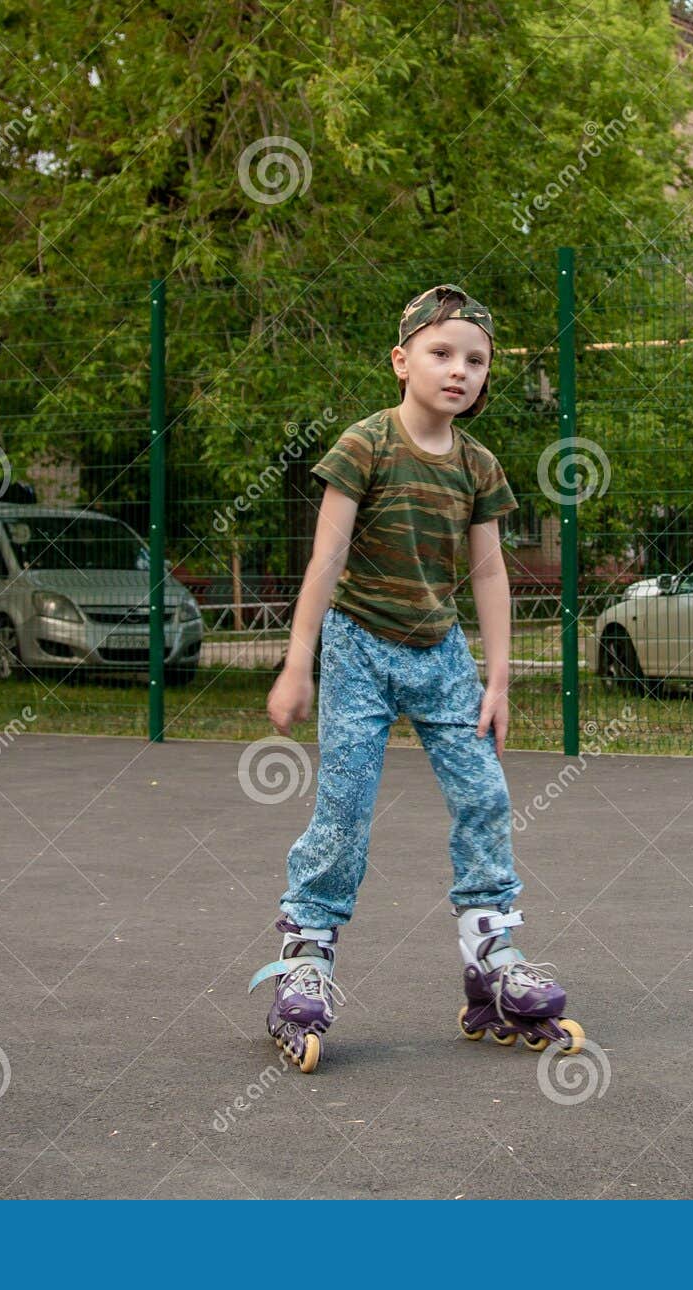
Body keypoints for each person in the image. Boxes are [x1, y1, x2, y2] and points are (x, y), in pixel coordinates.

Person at [253, 283, 583, 1073]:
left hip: (441, 657)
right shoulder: (365, 446)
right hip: (358, 646)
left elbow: (491, 574)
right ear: (402, 361)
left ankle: (492, 959)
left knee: (484, 795)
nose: (459, 371)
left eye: (476, 360)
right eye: (442, 353)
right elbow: (326, 560)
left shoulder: (478, 465)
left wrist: (498, 679)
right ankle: (306, 957)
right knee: (345, 805)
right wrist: (299, 662)